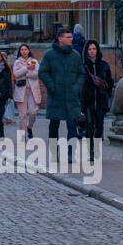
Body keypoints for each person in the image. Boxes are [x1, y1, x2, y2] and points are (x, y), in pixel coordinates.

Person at [39, 26, 84, 158]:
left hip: (72, 97)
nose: (72, 39)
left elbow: (82, 74)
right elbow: (43, 72)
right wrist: (52, 87)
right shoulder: (49, 55)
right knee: (54, 125)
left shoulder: (75, 55)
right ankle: (54, 152)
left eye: (71, 37)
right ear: (60, 38)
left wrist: (77, 88)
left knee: (72, 126)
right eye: (68, 37)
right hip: (56, 96)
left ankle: (71, 154)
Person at [80, 40, 114, 160]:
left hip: (101, 101)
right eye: (89, 49)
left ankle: (97, 149)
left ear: (97, 50)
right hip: (88, 101)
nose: (92, 51)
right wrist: (81, 101)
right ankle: (91, 153)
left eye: (94, 49)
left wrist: (107, 94)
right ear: (86, 51)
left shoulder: (104, 65)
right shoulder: (83, 66)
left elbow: (110, 82)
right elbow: (79, 84)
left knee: (99, 127)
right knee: (89, 126)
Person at [12, 43, 43, 140]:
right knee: (22, 115)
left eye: (25, 49)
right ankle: (22, 136)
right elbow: (16, 74)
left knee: (33, 112)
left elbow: (38, 74)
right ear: (20, 52)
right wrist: (26, 68)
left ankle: (29, 127)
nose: (24, 51)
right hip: (21, 91)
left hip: (32, 90)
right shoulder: (17, 62)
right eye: (22, 50)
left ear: (29, 50)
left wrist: (26, 74)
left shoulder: (34, 61)